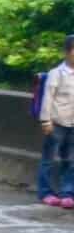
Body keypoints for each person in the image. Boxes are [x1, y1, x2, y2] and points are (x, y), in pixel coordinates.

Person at [37, 35, 74, 208]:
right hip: (57, 122)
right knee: (49, 159)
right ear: (67, 52)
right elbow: (48, 98)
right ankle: (46, 192)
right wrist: (46, 120)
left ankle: (68, 193)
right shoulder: (56, 73)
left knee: (70, 160)